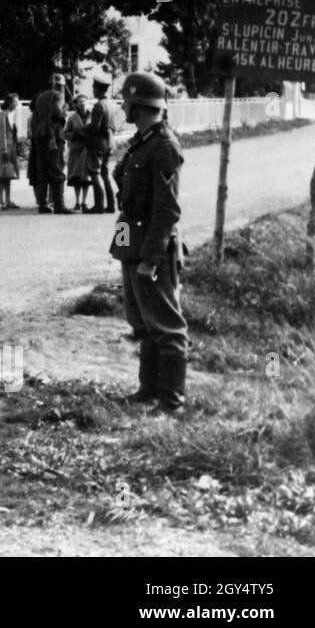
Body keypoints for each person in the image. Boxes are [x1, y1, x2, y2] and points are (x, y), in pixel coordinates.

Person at [110, 71, 186, 414]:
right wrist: (126, 251)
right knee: (141, 322)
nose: (122, 105)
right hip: (132, 244)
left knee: (166, 326)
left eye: (125, 99)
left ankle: (172, 401)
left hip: (151, 249)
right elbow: (127, 201)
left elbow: (167, 209)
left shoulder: (164, 146)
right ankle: (148, 390)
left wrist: (152, 258)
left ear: (138, 103)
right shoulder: (142, 141)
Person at [29, 72, 71, 214]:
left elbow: (35, 118)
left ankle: (42, 204)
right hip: (53, 135)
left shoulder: (41, 97)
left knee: (42, 170)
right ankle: (59, 205)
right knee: (57, 168)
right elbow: (58, 114)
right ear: (61, 85)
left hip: (40, 135)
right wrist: (65, 110)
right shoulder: (57, 96)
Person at [86, 73, 116, 214]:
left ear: (98, 89)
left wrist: (83, 128)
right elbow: (114, 126)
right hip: (109, 143)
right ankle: (111, 205)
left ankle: (99, 205)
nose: (93, 91)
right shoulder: (111, 104)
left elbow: (94, 127)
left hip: (98, 143)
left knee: (95, 173)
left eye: (94, 89)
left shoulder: (99, 105)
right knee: (105, 174)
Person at [0, 93, 22, 209]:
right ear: (9, 102)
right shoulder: (2, 115)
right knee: (2, 175)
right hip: (4, 148)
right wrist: (4, 150)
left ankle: (8, 200)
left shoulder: (12, 115)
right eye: (15, 102)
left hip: (11, 147)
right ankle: (1, 201)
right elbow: (2, 134)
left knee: (9, 175)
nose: (16, 104)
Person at [65, 94, 92, 211]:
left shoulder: (92, 116)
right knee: (76, 177)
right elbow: (65, 133)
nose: (82, 103)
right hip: (76, 149)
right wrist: (75, 134)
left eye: (84, 101)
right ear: (76, 104)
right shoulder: (72, 117)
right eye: (80, 102)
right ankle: (77, 202)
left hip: (88, 149)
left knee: (86, 177)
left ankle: (84, 202)